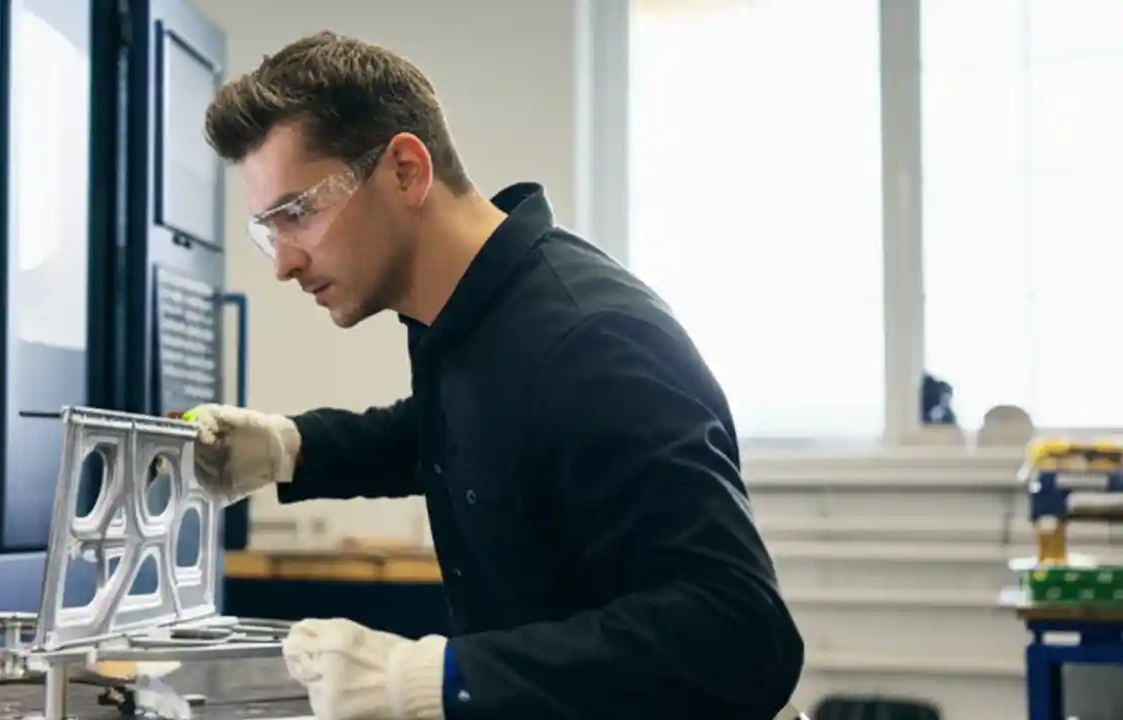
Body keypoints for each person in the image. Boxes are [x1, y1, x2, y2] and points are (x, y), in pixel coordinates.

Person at [189, 31, 804, 720]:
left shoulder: (591, 342)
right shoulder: (476, 316)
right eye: (267, 230)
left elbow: (738, 635)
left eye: (297, 213)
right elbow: (457, 429)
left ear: (404, 170)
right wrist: (291, 448)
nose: (283, 264)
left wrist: (431, 675)